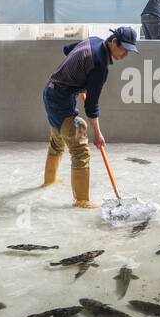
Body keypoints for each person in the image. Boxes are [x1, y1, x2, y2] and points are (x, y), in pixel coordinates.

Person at [41, 26, 138, 208]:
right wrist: (98, 134)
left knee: (58, 140)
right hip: (60, 100)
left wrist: (76, 74)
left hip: (50, 90)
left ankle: (49, 181)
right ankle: (81, 201)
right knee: (80, 149)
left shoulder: (93, 40)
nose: (125, 54)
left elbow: (68, 50)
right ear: (114, 42)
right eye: (124, 49)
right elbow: (91, 106)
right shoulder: (100, 66)